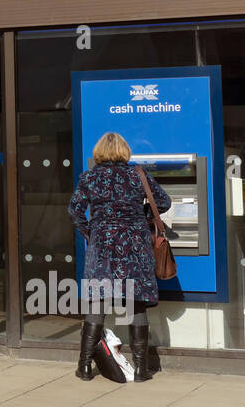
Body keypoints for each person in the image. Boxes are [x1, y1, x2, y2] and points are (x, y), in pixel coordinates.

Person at [67, 131, 170, 382]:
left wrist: (92, 231)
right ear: (124, 151)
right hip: (135, 244)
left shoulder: (89, 177)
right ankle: (140, 369)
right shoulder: (138, 174)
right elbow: (164, 202)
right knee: (136, 302)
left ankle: (84, 368)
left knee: (98, 303)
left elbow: (75, 211)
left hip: (102, 246)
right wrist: (142, 217)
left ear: (99, 152)